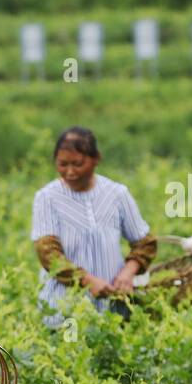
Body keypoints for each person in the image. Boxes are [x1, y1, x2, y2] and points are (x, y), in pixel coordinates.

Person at [30, 127, 157, 326]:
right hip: (65, 312)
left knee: (111, 352)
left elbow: (145, 242)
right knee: (70, 353)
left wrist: (128, 273)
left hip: (113, 310)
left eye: (77, 164)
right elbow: (49, 254)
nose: (70, 172)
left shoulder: (117, 194)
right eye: (62, 164)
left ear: (96, 159)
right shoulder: (47, 198)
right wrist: (87, 281)